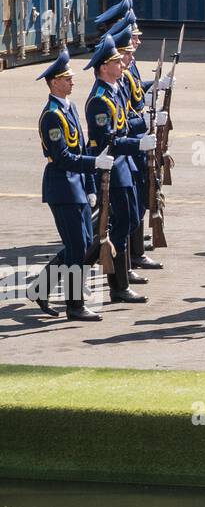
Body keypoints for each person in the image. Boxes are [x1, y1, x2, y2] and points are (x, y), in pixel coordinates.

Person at [31, 50, 109, 322]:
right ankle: (74, 306)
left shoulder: (70, 107)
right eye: (67, 79)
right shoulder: (51, 116)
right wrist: (94, 165)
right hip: (62, 187)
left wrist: (90, 186)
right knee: (77, 247)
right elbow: (63, 157)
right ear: (54, 83)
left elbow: (82, 146)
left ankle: (40, 287)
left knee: (84, 242)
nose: (72, 82)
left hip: (77, 184)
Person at [84, 37, 153, 306]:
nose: (121, 63)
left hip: (125, 165)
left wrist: (144, 121)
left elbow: (124, 123)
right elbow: (108, 141)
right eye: (115, 61)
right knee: (118, 227)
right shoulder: (100, 100)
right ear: (103, 67)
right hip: (112, 170)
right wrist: (139, 141)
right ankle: (116, 284)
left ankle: (118, 279)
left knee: (128, 222)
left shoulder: (114, 90)